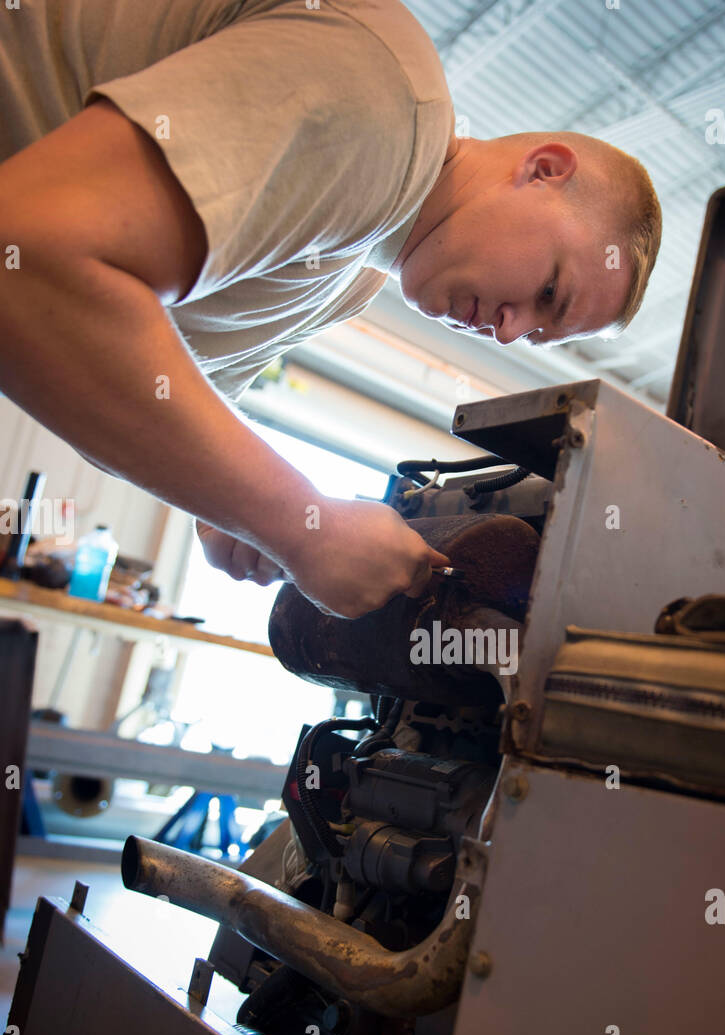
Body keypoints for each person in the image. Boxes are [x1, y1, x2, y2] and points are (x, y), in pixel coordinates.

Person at [0, 0, 661, 617]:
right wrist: (298, 525)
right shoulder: (382, 103)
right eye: (548, 293)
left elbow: (118, 378)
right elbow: (30, 258)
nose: (509, 331)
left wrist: (231, 515)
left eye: (536, 334)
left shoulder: (347, 280)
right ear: (544, 169)